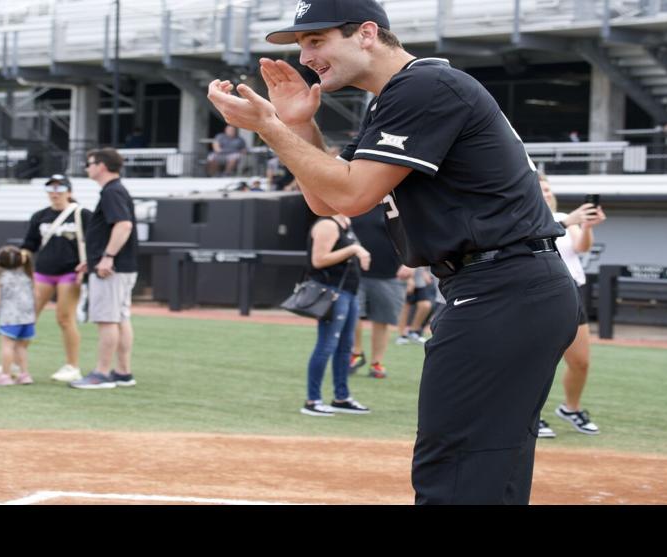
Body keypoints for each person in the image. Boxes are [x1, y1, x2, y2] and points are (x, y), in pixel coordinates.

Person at [209, 0, 576, 504]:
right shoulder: (396, 97)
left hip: (502, 288)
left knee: (455, 471)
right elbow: (326, 200)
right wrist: (295, 125)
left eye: (316, 40)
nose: (305, 57)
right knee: (489, 470)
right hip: (507, 288)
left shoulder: (423, 86)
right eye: (302, 45)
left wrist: (268, 127)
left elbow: (351, 194)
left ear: (366, 33)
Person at [535, 168, 605, 438]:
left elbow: (581, 247)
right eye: (540, 189)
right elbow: (537, 238)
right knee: (538, 362)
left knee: (581, 362)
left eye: (548, 189)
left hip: (572, 292)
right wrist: (568, 221)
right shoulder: (524, 219)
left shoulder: (563, 217)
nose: (546, 194)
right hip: (540, 295)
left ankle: (571, 408)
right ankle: (531, 414)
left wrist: (585, 225)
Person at [69, 149, 139, 389]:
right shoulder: (115, 190)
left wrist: (107, 257)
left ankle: (101, 373)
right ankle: (122, 372)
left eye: (89, 163)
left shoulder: (112, 191)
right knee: (120, 318)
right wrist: (94, 259)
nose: (87, 167)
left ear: (102, 166)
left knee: (107, 320)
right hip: (118, 266)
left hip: (112, 269)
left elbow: (123, 225)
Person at [300, 213, 375, 416]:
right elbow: (318, 260)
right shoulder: (327, 223)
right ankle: (312, 400)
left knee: (345, 347)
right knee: (326, 345)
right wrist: (353, 249)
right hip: (332, 292)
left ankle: (341, 397)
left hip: (348, 292)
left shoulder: (345, 222)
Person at [16, 174, 89, 382]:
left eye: (60, 188)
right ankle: (14, 361)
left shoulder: (82, 214)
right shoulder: (40, 216)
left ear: (69, 191)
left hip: (70, 272)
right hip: (43, 271)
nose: (55, 193)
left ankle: (72, 366)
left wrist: (86, 268)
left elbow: (93, 242)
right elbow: (29, 245)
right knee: (28, 315)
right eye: (51, 188)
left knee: (65, 318)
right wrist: (17, 262)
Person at [348, 203, 405, 379]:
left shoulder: (394, 206)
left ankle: (376, 363)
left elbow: (410, 236)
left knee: (382, 319)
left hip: (388, 273)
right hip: (354, 272)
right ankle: (356, 353)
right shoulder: (355, 205)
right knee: (353, 314)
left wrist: (409, 264)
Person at [0, 246, 37, 386]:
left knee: (7, 346)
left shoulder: (1, 277)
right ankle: (24, 375)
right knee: (21, 347)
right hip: (28, 318)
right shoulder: (26, 275)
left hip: (10, 318)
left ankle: (5, 376)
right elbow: (35, 295)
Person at [397, 264, 437, 344]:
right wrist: (410, 279)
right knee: (405, 307)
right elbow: (407, 260)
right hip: (406, 277)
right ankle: (402, 336)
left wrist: (424, 272)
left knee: (425, 305)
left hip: (419, 280)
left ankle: (413, 331)